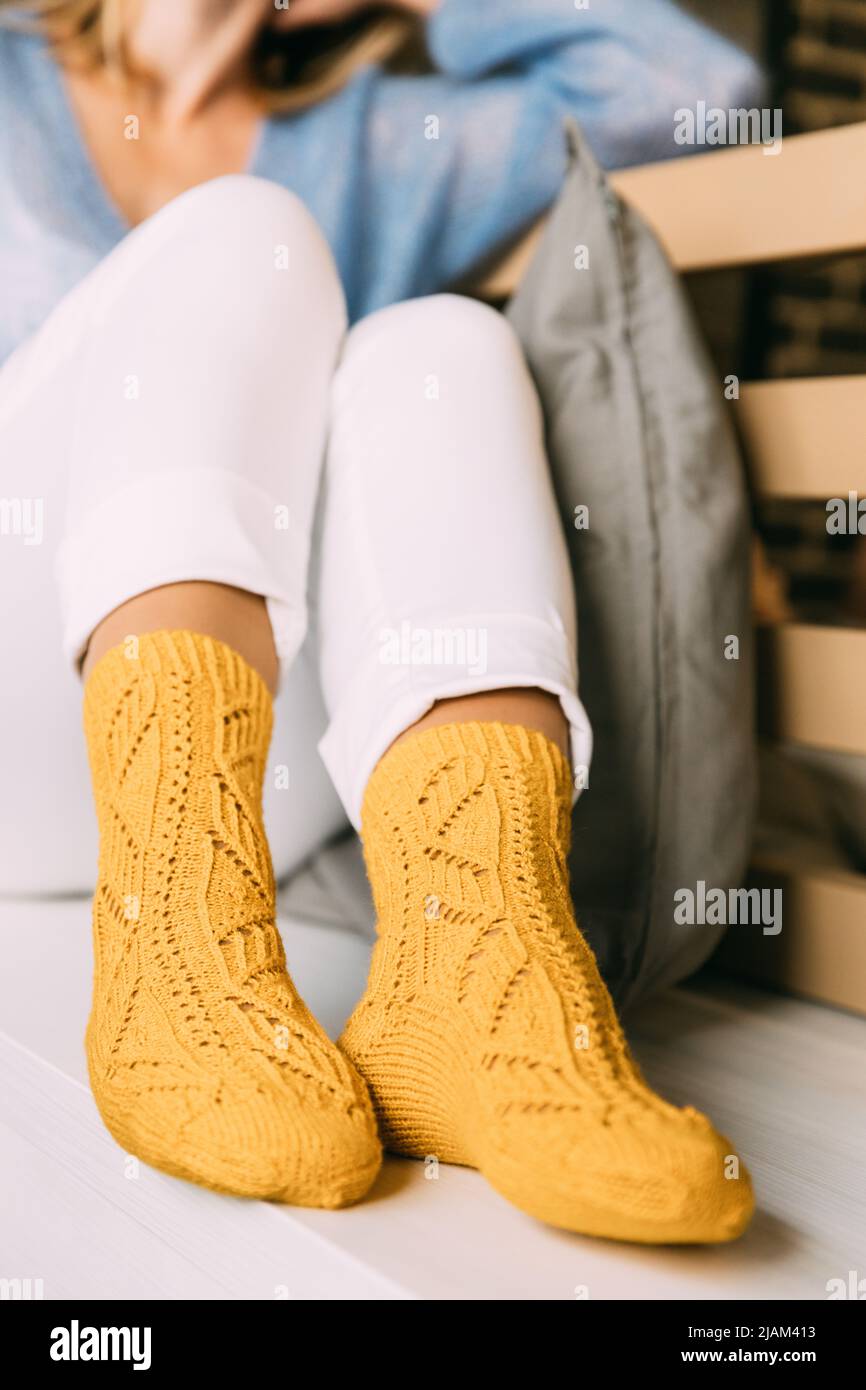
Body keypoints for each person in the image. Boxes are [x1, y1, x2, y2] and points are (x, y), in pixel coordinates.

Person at [0, 0, 761, 1243]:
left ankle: (475, 978)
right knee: (243, 232)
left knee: (440, 343)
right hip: (13, 691)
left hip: (258, 751)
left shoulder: (379, 138)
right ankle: (170, 942)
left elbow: (685, 84)